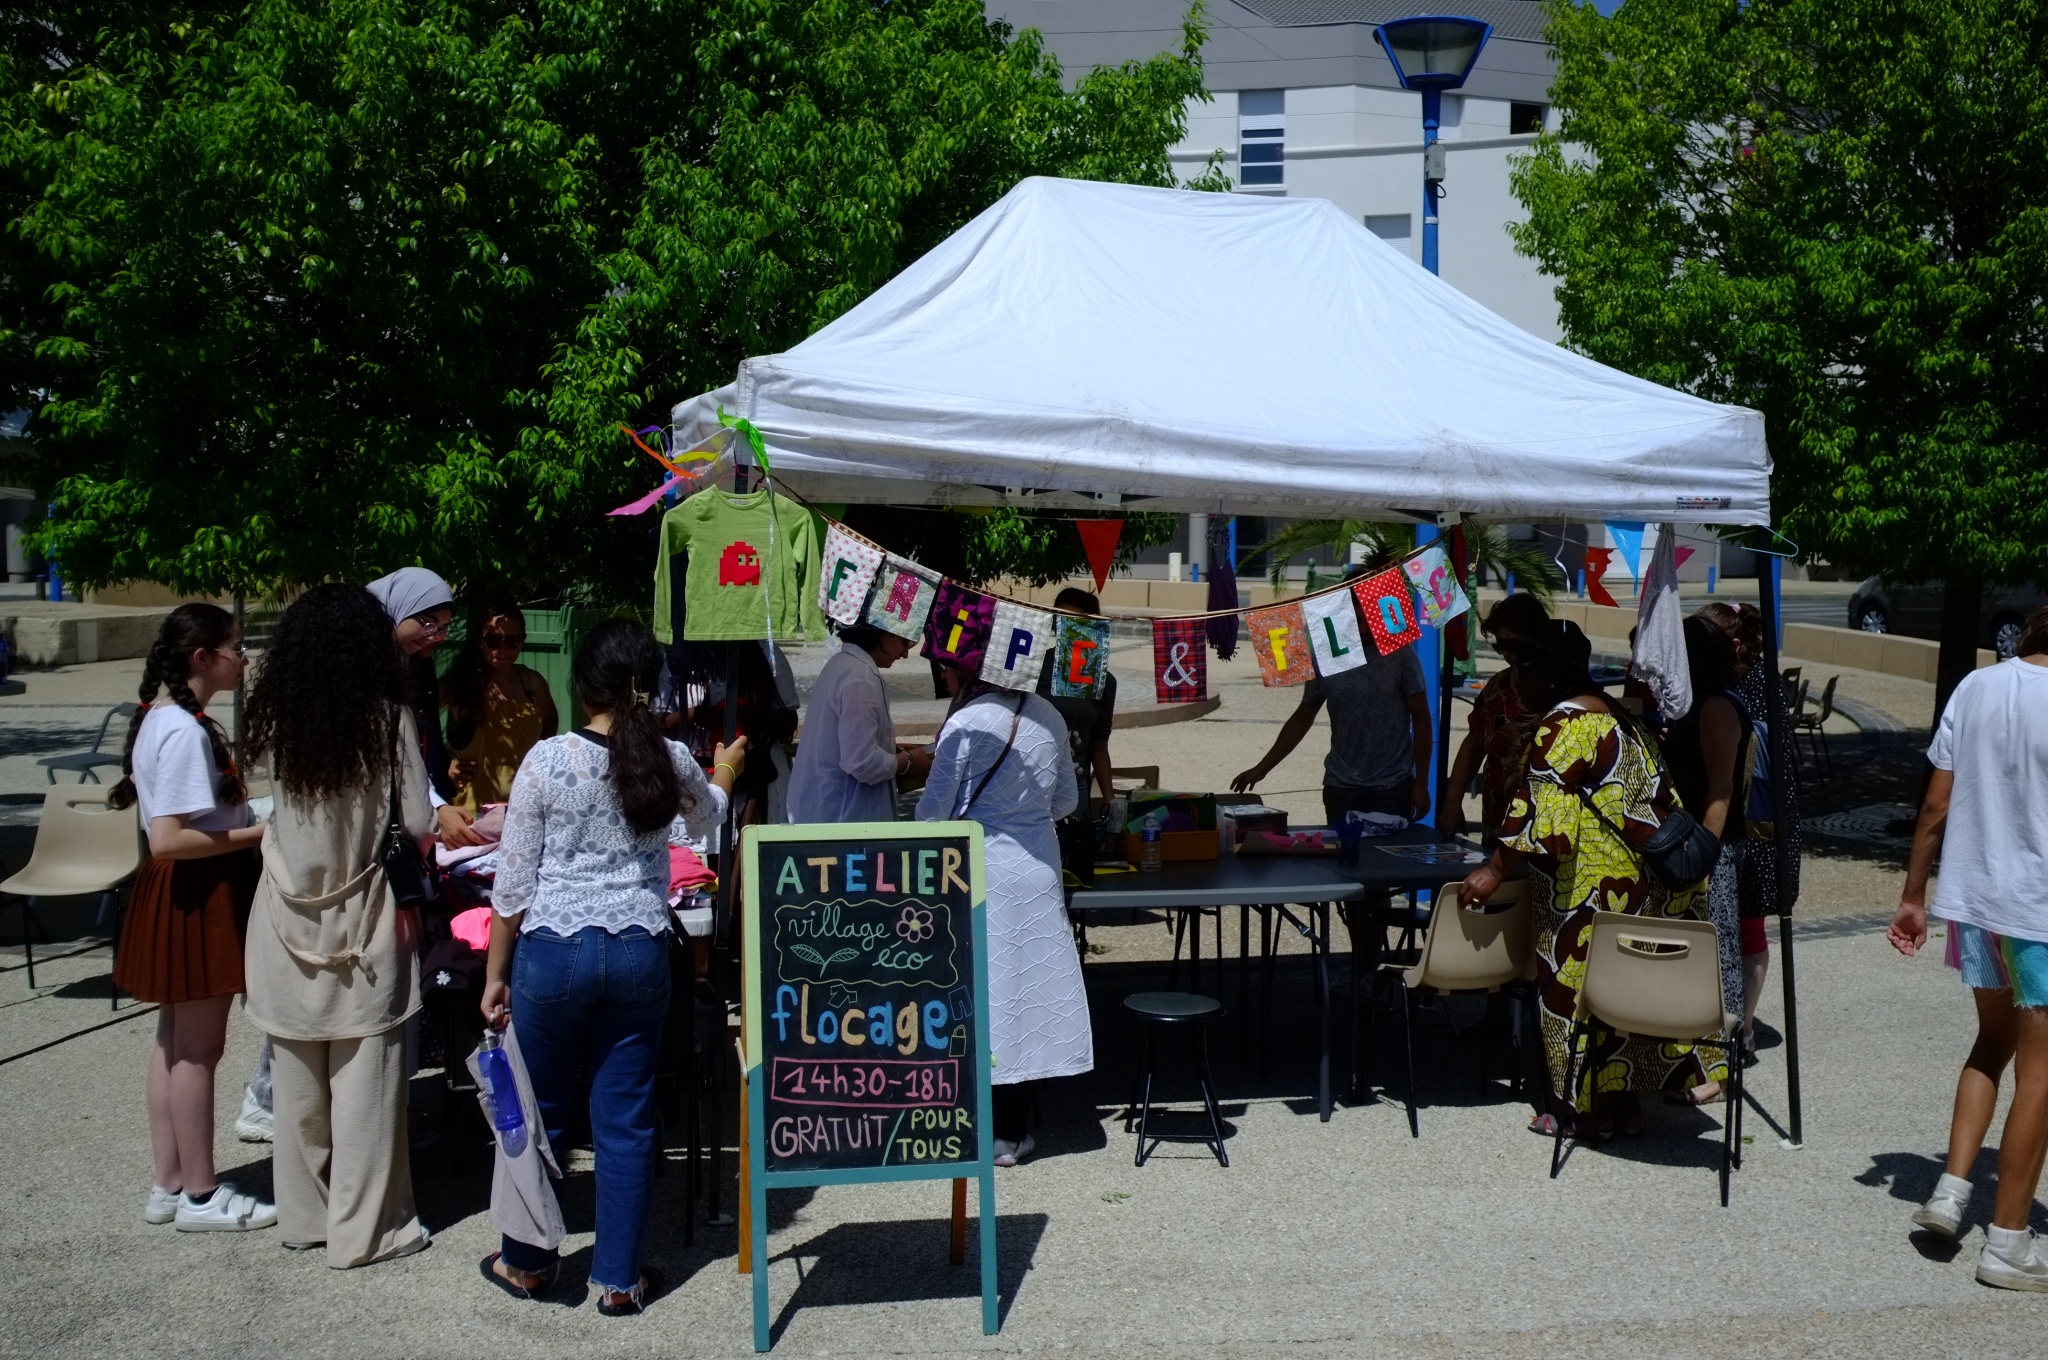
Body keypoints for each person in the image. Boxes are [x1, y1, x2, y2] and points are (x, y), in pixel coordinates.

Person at [480, 620, 743, 1310]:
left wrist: (494, 975)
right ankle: (620, 1280)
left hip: (552, 951)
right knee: (625, 1117)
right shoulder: (667, 756)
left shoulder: (545, 761)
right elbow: (709, 815)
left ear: (581, 683)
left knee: (543, 1112)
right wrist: (725, 770)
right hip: (638, 948)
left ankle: (530, 1261)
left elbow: (512, 884)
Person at [1457, 619, 1725, 1139]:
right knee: (1622, 998)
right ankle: (1624, 1110)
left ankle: (1575, 1113)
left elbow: (1537, 812)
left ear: (1547, 675)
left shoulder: (1564, 723)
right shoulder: (1624, 719)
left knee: (1570, 998)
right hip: (1648, 885)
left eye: (1519, 674)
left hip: (1586, 889)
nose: (1514, 686)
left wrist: (1493, 871)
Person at [242, 584, 435, 1267]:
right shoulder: (388, 718)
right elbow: (416, 823)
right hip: (366, 923)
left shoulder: (280, 720)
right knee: (366, 1084)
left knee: (297, 1080)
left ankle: (305, 1217)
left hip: (281, 916)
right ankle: (368, 1231)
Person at [1889, 607, 2048, 1290]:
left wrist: (1914, 894)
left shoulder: (1976, 686)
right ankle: (2009, 1240)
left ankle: (1952, 1191)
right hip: (2039, 910)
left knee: (1992, 1043)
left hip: (1977, 903)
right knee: (2041, 1074)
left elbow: (1935, 805)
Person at [107, 604, 277, 1232]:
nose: (244, 657)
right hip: (194, 893)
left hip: (179, 893)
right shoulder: (181, 728)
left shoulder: (166, 717)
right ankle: (201, 1196)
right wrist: (257, 832)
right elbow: (169, 839)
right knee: (198, 1050)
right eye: (234, 647)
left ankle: (169, 1183)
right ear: (201, 657)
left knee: (174, 1045)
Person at [917, 660, 1090, 1167]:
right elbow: (1066, 800)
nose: (943, 676)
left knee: (978, 993)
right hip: (1036, 866)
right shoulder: (1051, 718)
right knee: (1024, 998)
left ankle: (965, 1123)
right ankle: (1009, 1135)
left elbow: (932, 813)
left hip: (980, 869)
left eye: (949, 669)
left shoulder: (967, 722)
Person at [1230, 579, 1432, 826]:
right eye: (1356, 621)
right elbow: (1303, 715)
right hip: (1341, 785)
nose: (1364, 629)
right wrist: (1263, 767)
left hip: (1393, 785)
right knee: (1344, 859)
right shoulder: (1328, 653)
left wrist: (1421, 783)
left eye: (1368, 619)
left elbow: (1421, 719)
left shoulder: (1399, 654)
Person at [1660, 614, 1751, 1105]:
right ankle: (1692, 1057)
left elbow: (1721, 786)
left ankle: (1722, 1066)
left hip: (1711, 846)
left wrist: (1705, 853)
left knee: (1719, 956)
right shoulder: (1691, 704)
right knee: (1697, 955)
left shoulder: (1715, 707)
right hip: (1694, 841)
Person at [1697, 600, 1795, 1041]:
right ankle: (1741, 1024)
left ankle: (1742, 1026)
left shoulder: (1741, 687)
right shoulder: (1748, 682)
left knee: (1747, 925)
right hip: (1761, 816)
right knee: (1745, 926)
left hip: (1752, 818)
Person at [366, 567, 484, 848]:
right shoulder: (364, 674)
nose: (433, 636)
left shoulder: (409, 663)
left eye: (442, 629)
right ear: (397, 608)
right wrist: (435, 807)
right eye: (428, 623)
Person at [787, 623, 931, 823]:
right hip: (842, 819)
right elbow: (863, 763)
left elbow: (849, 744)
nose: (905, 654)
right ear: (883, 636)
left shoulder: (843, 664)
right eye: (905, 642)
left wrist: (891, 750)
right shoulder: (859, 678)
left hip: (829, 812)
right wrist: (907, 761)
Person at [1443, 592, 1548, 840]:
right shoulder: (1497, 687)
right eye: (1500, 646)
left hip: (1540, 829)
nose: (1507, 654)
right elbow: (1474, 743)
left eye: (1513, 645)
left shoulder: (1559, 690)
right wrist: (1452, 802)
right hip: (1496, 822)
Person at [442, 605, 559, 813]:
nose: (502, 649)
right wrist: (442, 764)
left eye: (512, 641)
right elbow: (414, 717)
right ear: (480, 640)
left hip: (523, 806)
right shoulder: (461, 683)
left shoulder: (533, 684)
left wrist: (540, 761)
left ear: (522, 641)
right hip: (471, 808)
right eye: (493, 640)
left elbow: (550, 718)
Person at [1036, 588, 1119, 812]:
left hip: (1075, 787)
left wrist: (1110, 798)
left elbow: (1099, 746)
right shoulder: (1034, 668)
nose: (1066, 629)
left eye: (1074, 622)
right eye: (1059, 619)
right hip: (1031, 783)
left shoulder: (1103, 682)